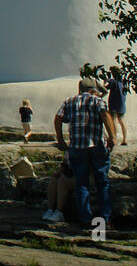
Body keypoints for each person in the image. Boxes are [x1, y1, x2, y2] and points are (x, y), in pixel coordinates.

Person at [54, 78, 117, 232]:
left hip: (77, 146)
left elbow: (58, 118)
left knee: (81, 183)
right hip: (96, 144)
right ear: (92, 89)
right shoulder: (97, 101)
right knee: (102, 181)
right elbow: (105, 116)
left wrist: (61, 139)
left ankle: (85, 219)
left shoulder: (69, 101)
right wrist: (112, 136)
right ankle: (105, 220)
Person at [42, 158, 75, 223]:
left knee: (62, 181)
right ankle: (50, 210)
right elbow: (64, 164)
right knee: (54, 179)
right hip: (71, 175)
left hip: (83, 178)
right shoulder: (69, 151)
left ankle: (59, 212)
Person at [107, 72, 128, 146]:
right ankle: (125, 139)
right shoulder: (124, 82)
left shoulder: (113, 81)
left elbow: (105, 88)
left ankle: (114, 138)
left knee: (114, 120)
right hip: (122, 103)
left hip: (114, 103)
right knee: (122, 120)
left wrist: (106, 80)